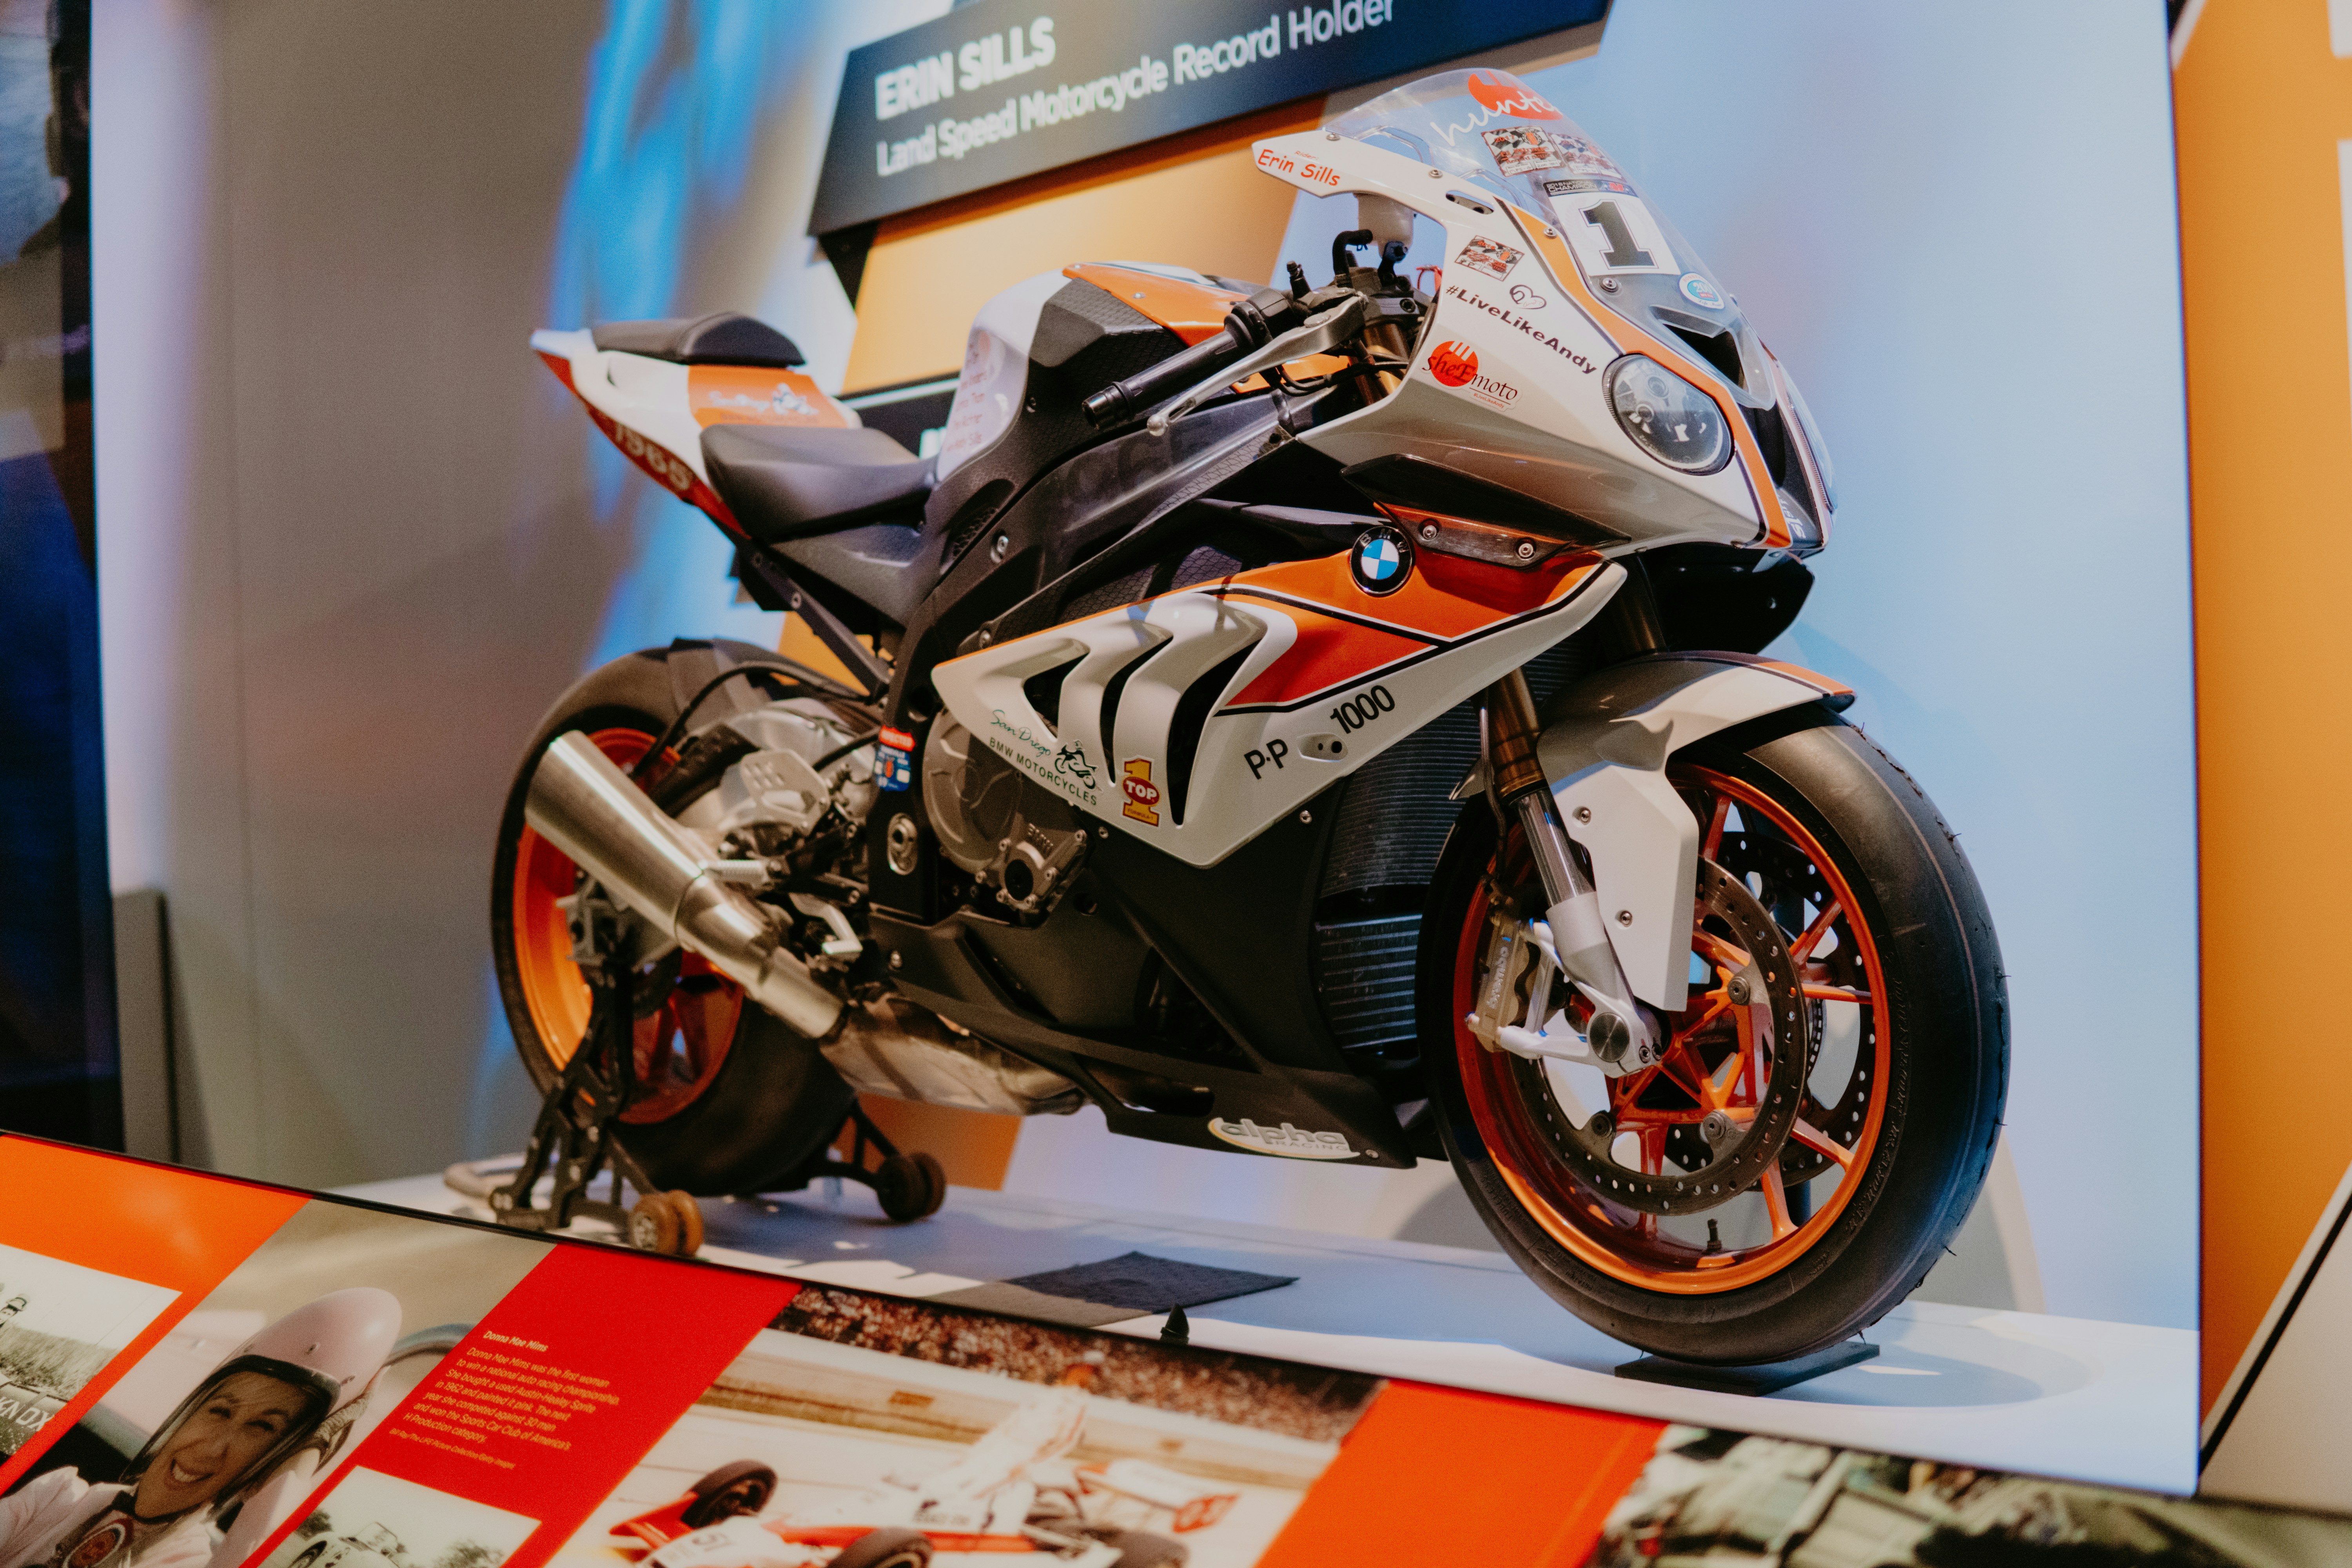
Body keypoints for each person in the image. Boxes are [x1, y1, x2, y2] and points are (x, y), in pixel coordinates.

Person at [0, 1289, 400, 1568]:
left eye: (261, 1428)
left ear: (271, 1463)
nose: (213, 1448)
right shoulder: (53, 1497)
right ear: (190, 1410)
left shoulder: (190, 1562)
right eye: (220, 1411)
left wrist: (313, 1444)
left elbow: (252, 1553)